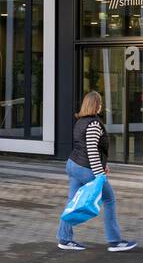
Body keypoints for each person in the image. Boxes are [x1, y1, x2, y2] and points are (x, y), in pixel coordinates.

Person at [57, 91, 137, 252]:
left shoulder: (80, 121)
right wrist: (100, 173)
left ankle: (64, 239)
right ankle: (115, 241)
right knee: (109, 200)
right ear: (96, 105)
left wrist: (103, 164)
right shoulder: (93, 124)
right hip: (85, 168)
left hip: (73, 164)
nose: (101, 105)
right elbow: (92, 150)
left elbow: (86, 148)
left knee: (72, 202)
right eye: (100, 103)